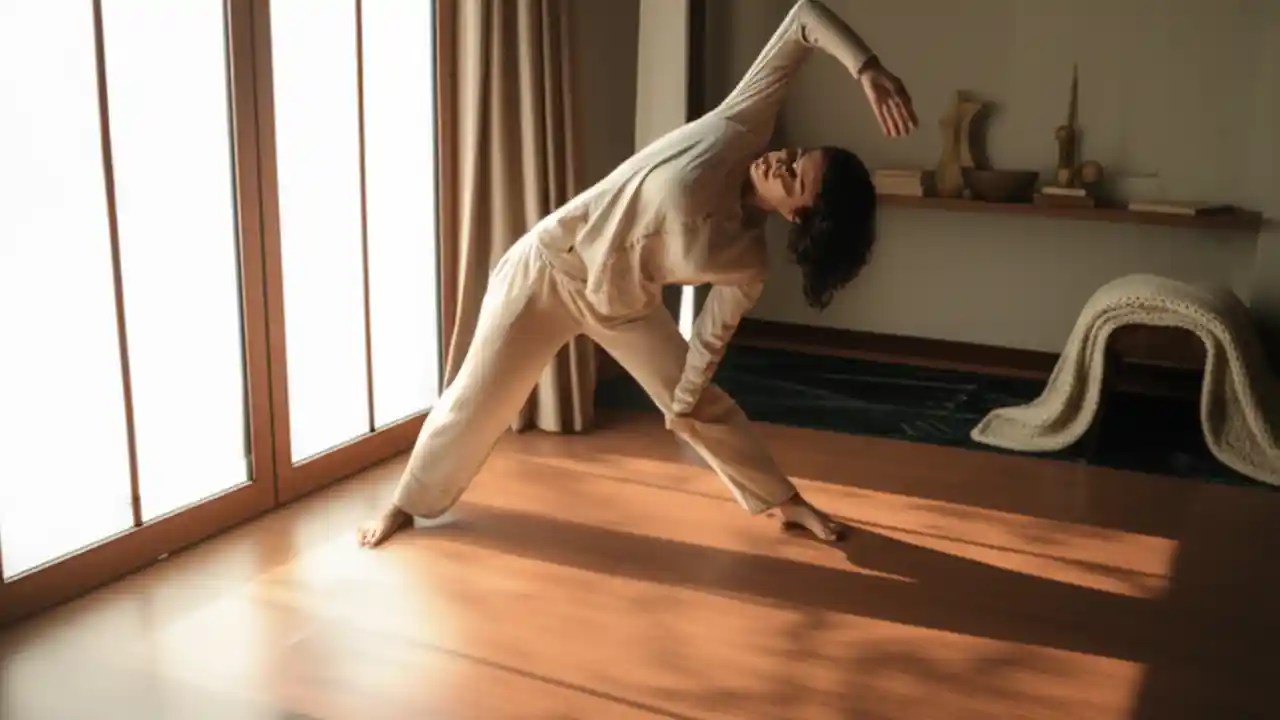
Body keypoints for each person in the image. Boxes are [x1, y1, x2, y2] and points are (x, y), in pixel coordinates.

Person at [358, 0, 917, 548]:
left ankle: (785, 503)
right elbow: (802, 19)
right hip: (549, 268)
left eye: (792, 176)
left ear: (797, 215)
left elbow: (708, 341)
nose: (779, 160)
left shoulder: (748, 261)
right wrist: (865, 66)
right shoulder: (738, 125)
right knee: (476, 398)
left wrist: (681, 404)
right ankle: (404, 502)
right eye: (795, 153)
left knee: (704, 403)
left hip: (622, 308)